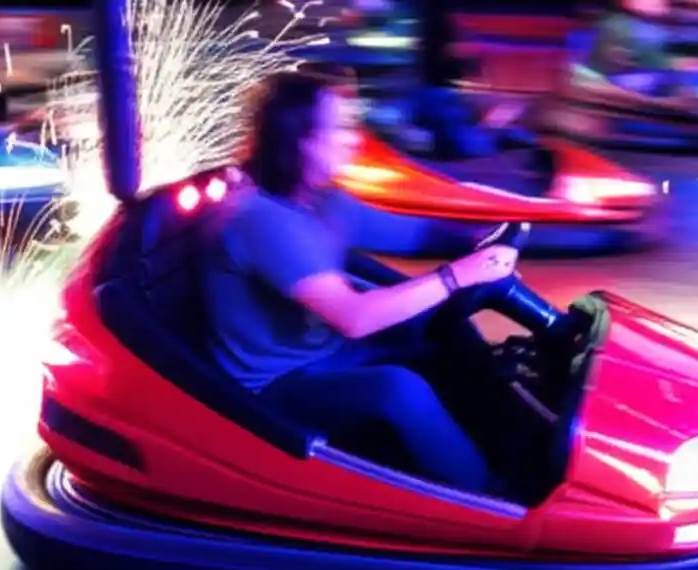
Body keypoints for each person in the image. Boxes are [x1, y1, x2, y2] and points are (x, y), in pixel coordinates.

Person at [201, 72, 523, 497]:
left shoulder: (324, 200)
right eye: (340, 127)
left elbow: (415, 235)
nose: (354, 138)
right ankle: (494, 501)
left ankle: (498, 444)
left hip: (323, 351)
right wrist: (458, 276)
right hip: (272, 387)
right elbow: (355, 318)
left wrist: (484, 233)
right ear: (300, 139)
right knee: (397, 388)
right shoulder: (261, 218)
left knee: (440, 338)